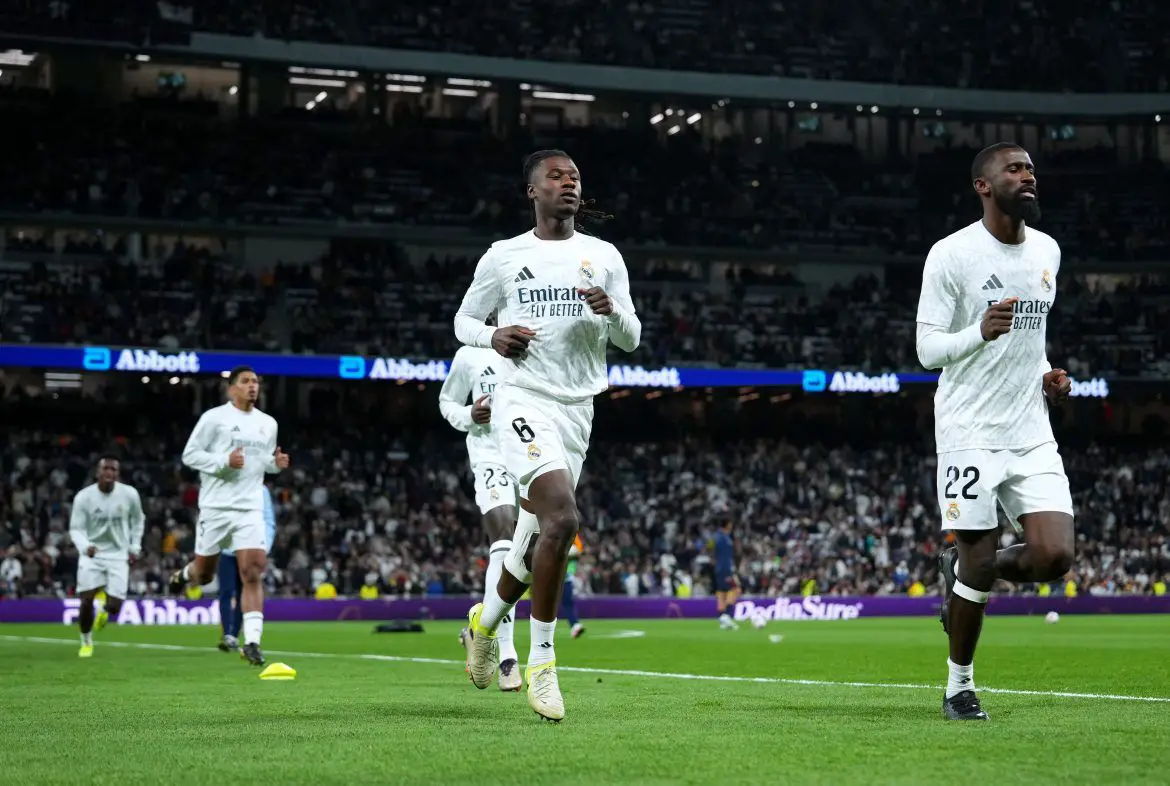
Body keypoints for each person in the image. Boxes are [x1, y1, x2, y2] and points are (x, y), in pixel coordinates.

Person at [453, 149, 640, 722]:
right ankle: (543, 663)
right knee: (562, 519)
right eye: (556, 177)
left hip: (577, 408)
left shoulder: (603, 256)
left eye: (575, 177)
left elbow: (631, 339)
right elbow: (463, 321)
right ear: (532, 190)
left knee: (532, 548)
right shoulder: (506, 256)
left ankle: (483, 626)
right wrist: (493, 336)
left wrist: (611, 313)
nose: (569, 183)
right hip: (521, 399)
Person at [915, 142, 1074, 721]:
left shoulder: (1048, 251)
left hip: (1030, 429)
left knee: (1055, 555)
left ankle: (956, 570)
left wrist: (1048, 376)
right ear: (983, 186)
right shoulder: (951, 255)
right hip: (969, 430)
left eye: (1031, 168)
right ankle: (959, 684)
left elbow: (1032, 342)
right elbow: (928, 349)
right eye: (1014, 169)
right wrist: (978, 332)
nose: (1028, 176)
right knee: (980, 569)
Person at [170, 366, 290, 666]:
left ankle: (251, 642)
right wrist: (223, 460)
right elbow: (190, 455)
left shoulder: (268, 423)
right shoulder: (214, 418)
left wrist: (275, 465)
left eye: (256, 382)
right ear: (231, 388)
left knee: (252, 571)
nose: (253, 387)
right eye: (246, 382)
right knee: (205, 574)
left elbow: (262, 463)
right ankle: (184, 575)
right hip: (216, 507)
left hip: (250, 507)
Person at [439, 340, 524, 692]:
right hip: (491, 457)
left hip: (530, 454)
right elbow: (447, 402)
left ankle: (479, 628)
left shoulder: (535, 342)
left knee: (524, 555)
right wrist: (469, 415)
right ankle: (506, 656)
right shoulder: (470, 354)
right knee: (503, 540)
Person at [69, 456, 145, 658]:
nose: (110, 473)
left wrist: (135, 546)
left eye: (113, 469)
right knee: (86, 601)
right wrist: (85, 547)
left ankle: (104, 609)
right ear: (98, 472)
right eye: (106, 469)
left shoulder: (129, 494)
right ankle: (86, 642)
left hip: (118, 555)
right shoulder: (84, 497)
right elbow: (76, 529)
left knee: (115, 607)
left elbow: (138, 521)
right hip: (92, 554)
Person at [216, 483, 277, 653]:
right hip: (227, 550)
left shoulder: (261, 490)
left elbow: (268, 520)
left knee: (245, 591)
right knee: (226, 592)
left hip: (250, 548)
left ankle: (234, 635)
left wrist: (264, 547)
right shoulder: (224, 486)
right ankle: (227, 634)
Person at [713, 520, 740, 630]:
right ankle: (727, 615)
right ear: (728, 525)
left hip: (720, 568)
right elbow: (724, 555)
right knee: (736, 589)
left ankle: (722, 618)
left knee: (722, 593)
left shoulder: (718, 537)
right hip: (725, 569)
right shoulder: (723, 538)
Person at [561, 534, 585, 639]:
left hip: (559, 578)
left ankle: (575, 624)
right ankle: (575, 624)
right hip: (566, 579)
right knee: (568, 603)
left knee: (566, 603)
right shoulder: (574, 539)